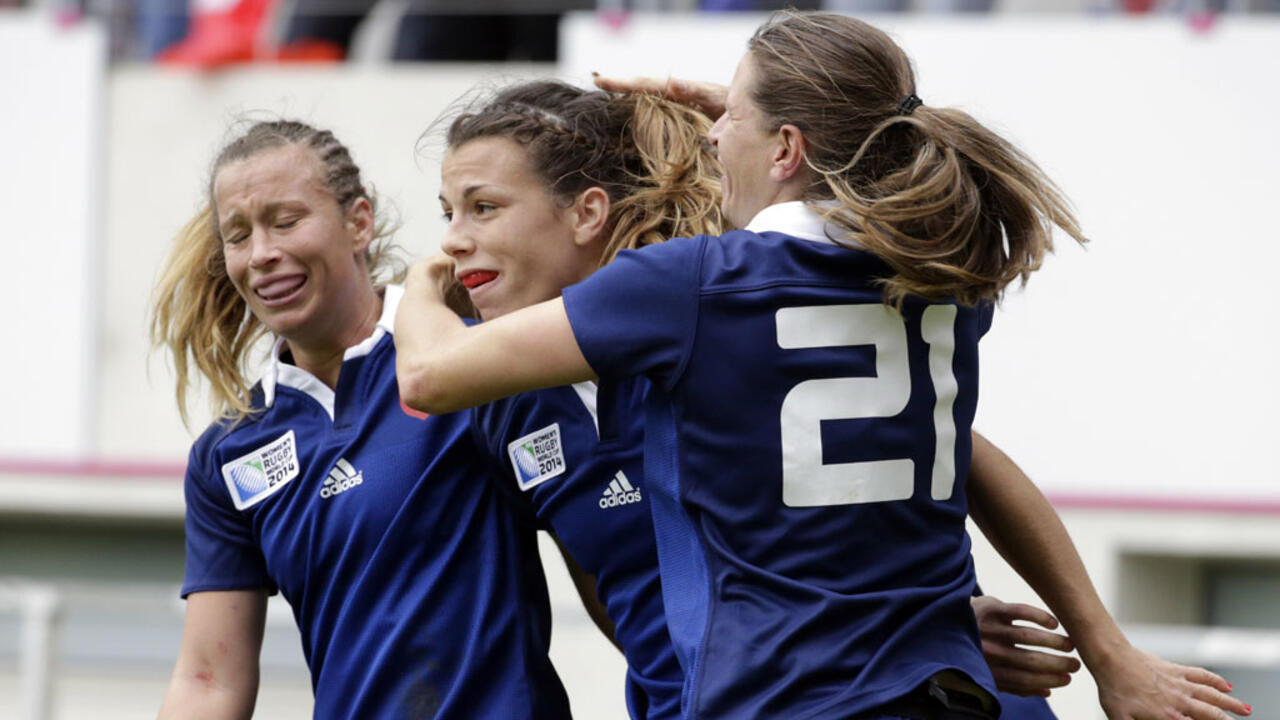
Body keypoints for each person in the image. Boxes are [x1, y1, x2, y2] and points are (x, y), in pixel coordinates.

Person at [406, 68, 1248, 718]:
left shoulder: (714, 302)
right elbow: (624, 592)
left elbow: (962, 456)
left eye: (482, 207)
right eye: (446, 213)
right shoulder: (516, 396)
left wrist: (935, 624)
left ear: (588, 211)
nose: (453, 241)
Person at [149, 120, 570, 719]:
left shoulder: (478, 365)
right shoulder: (230, 452)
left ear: (359, 222)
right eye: (239, 236)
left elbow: (611, 565)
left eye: (287, 221)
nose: (263, 253)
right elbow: (208, 679)